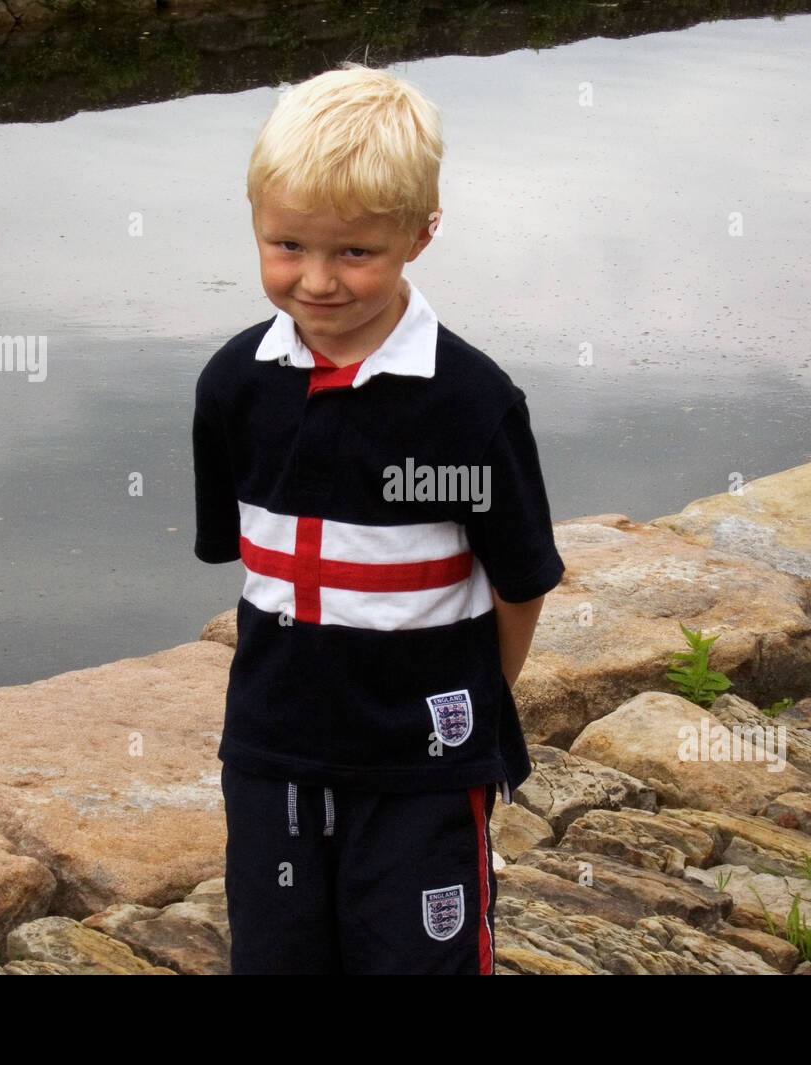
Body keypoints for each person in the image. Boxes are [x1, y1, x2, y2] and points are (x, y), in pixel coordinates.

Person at [192, 63, 564, 975]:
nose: (316, 281)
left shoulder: (470, 405)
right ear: (255, 221)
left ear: (420, 234)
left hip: (422, 765)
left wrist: (465, 709)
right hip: (272, 750)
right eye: (286, 245)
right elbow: (246, 565)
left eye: (354, 252)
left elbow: (520, 582)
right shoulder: (232, 386)